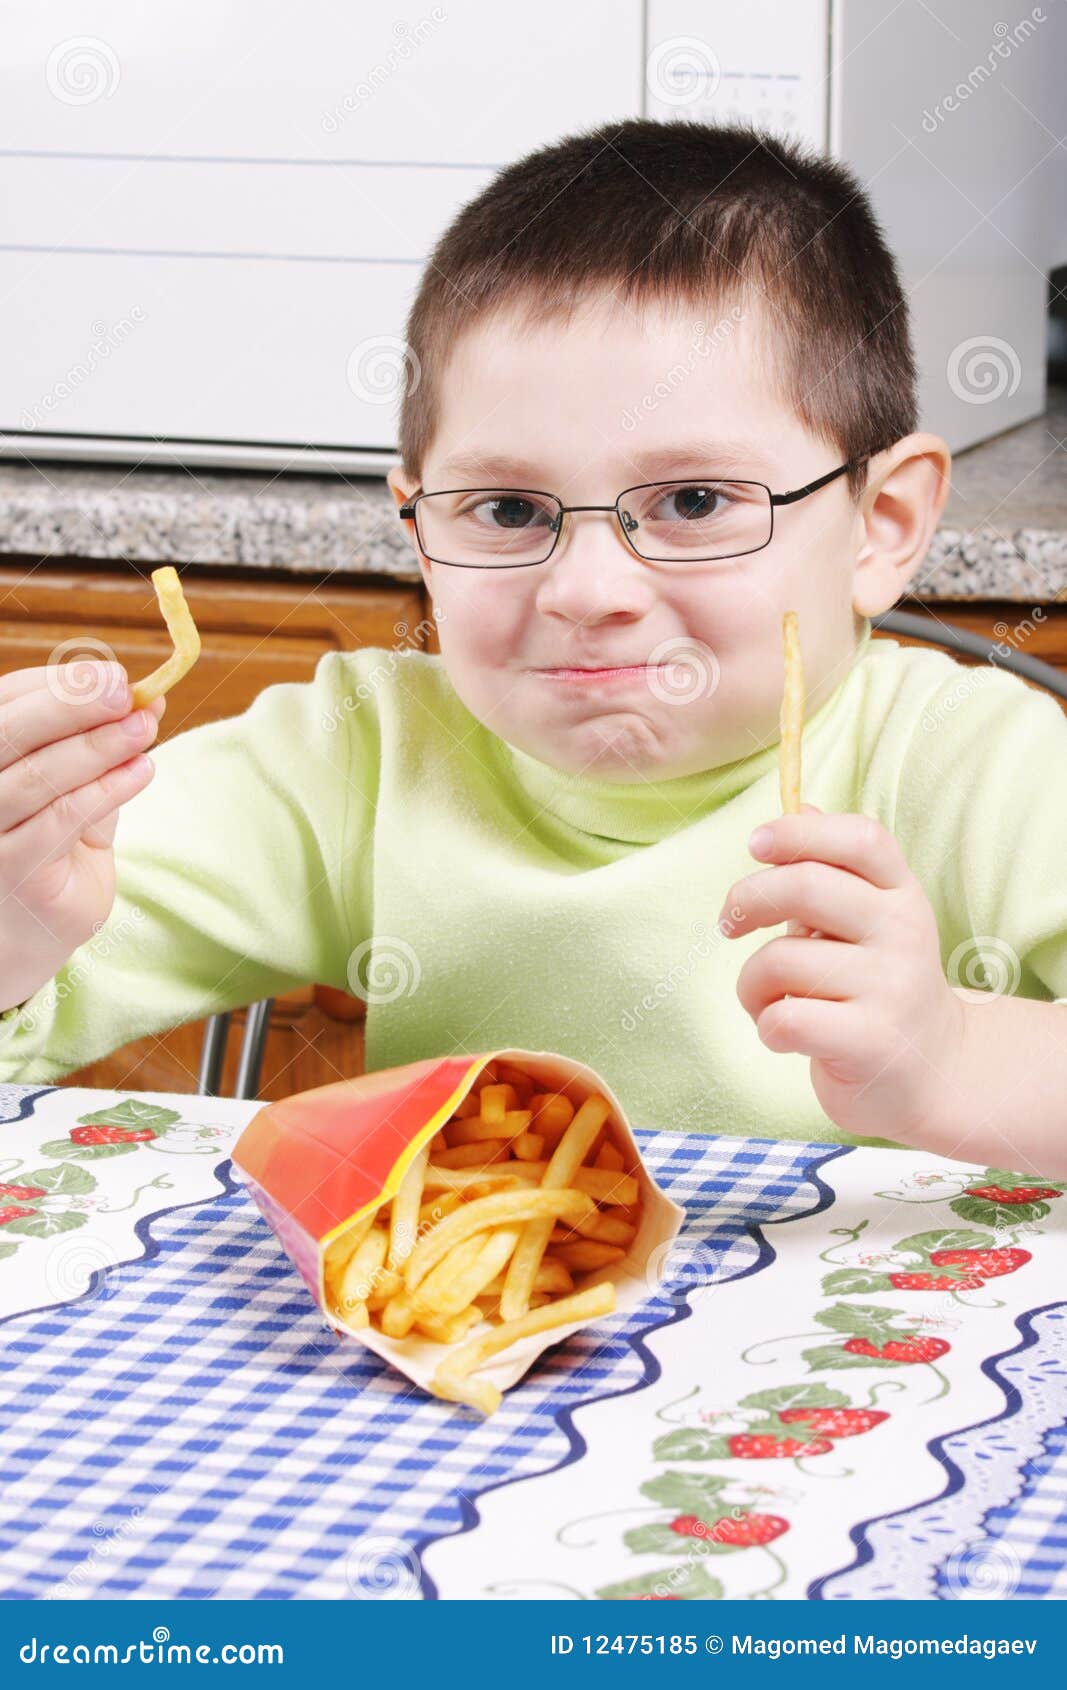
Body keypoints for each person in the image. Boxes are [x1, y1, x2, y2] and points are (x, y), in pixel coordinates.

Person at [2, 119, 1065, 1170]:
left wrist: (953, 1052)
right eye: (507, 510)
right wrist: (16, 922)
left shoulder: (985, 771)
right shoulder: (358, 750)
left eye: (693, 499)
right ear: (419, 530)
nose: (587, 589)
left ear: (880, 528)